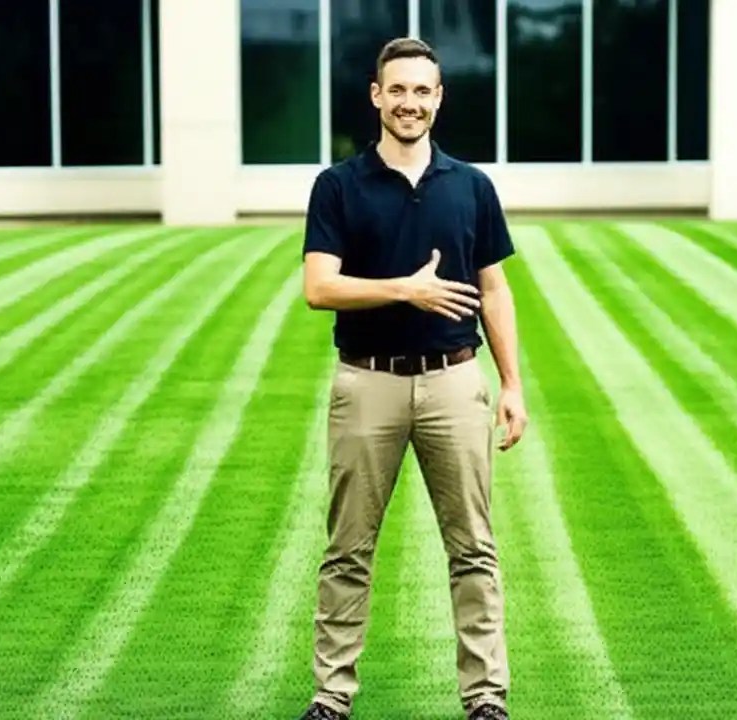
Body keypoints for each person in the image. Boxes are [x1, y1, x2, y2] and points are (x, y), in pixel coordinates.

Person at [297, 36, 527, 720]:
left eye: (422, 91)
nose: (409, 103)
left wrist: (511, 385)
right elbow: (319, 287)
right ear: (376, 96)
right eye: (397, 90)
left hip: (455, 382)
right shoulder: (338, 186)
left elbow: (495, 290)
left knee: (474, 551)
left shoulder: (472, 186)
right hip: (367, 384)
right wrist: (405, 290)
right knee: (347, 551)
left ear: (438, 98)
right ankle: (331, 697)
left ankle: (486, 699)